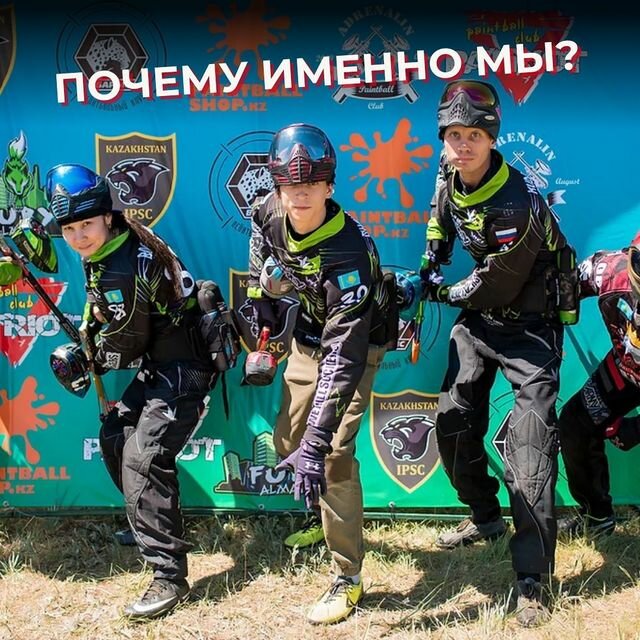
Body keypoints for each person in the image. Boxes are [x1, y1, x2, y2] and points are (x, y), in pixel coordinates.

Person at [421, 80, 575, 627]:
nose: (463, 145)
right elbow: (440, 221)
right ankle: (484, 516)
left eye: (475, 135)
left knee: (529, 450)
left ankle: (533, 581)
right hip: (482, 320)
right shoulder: (449, 174)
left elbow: (495, 283)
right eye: (454, 135)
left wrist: (439, 292)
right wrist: (430, 263)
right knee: (453, 421)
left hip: (530, 324)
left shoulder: (515, 200)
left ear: (492, 139)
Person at [46, 164, 216, 619]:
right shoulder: (114, 242)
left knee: (144, 457)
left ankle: (169, 576)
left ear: (107, 215)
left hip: (185, 370)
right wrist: (90, 329)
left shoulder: (122, 265)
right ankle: (148, 524)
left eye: (86, 224)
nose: (79, 236)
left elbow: (126, 346)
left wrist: (86, 358)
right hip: (160, 364)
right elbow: (107, 310)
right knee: (114, 434)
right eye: (69, 229)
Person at [246, 123, 395, 624]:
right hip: (309, 334)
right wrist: (260, 297)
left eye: (311, 184)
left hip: (356, 348)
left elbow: (343, 358)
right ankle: (321, 510)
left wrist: (318, 441)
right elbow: (258, 240)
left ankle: (347, 577)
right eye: (290, 185)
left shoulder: (349, 253)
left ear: (330, 186)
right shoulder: (270, 210)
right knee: (288, 439)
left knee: (329, 454)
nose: (300, 194)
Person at [558, 232, 640, 536]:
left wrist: (635, 429)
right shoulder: (610, 271)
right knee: (576, 423)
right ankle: (596, 517)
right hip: (626, 371)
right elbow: (566, 283)